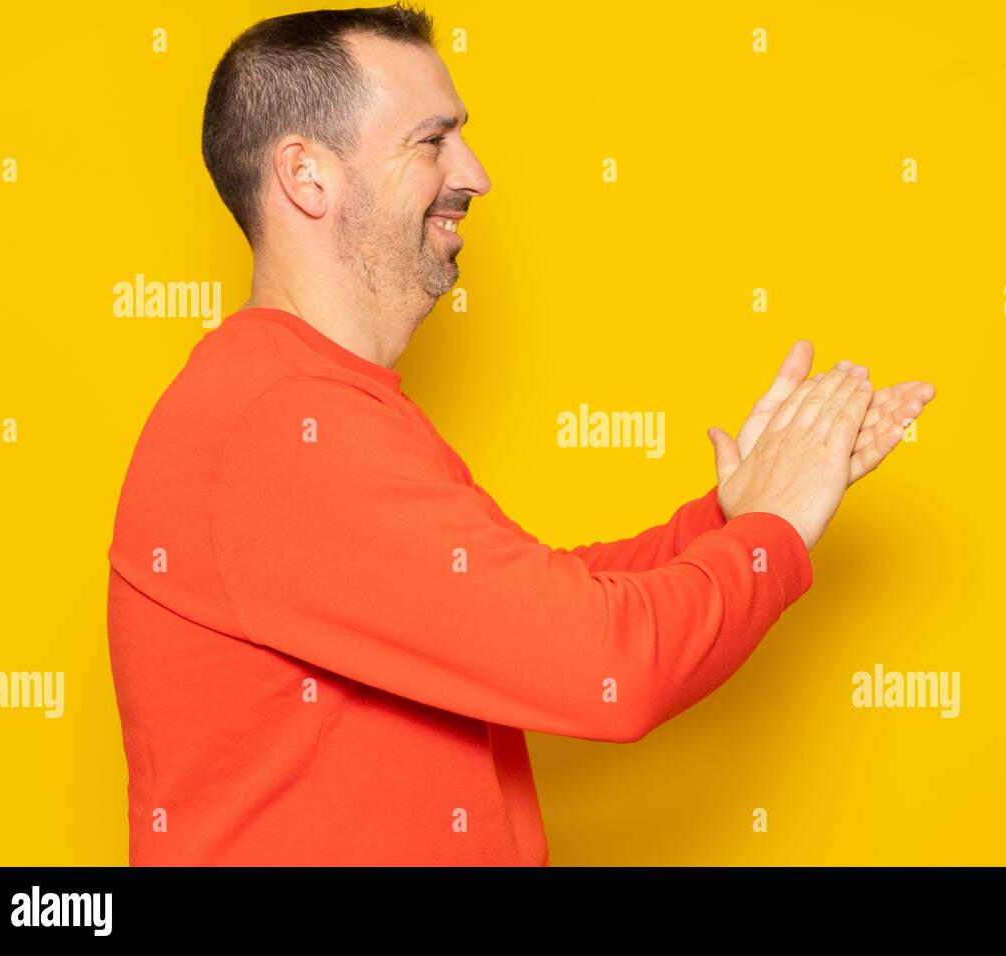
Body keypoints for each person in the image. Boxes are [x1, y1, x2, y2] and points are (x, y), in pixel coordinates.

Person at [105, 3, 936, 866]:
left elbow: (532, 605)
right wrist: (774, 537)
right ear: (308, 177)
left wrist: (732, 516)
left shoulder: (311, 404)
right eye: (432, 141)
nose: (476, 173)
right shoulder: (282, 429)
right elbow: (606, 669)